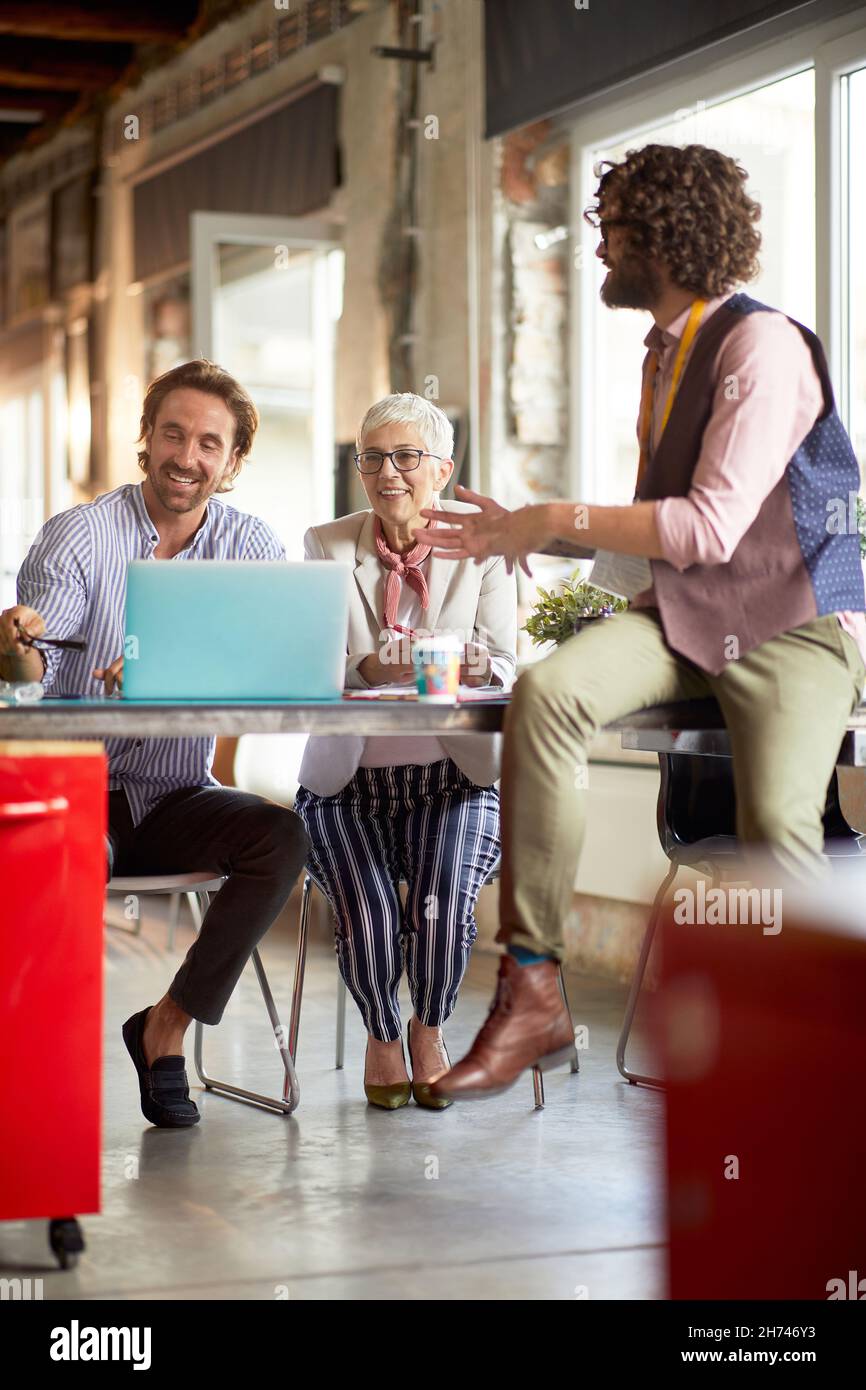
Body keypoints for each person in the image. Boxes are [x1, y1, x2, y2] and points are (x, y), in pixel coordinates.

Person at [414, 143, 866, 1101]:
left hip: (792, 623)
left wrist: (553, 518)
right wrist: (524, 531)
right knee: (548, 694)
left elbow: (707, 525)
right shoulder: (666, 353)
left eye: (612, 223)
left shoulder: (763, 347)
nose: (601, 243)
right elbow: (662, 540)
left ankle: (802, 1060)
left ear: (663, 231)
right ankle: (532, 986)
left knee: (778, 821)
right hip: (683, 617)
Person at [0, 359, 310, 1128]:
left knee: (281, 835)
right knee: (74, 856)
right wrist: (21, 649)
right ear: (145, 439)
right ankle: (49, 1099)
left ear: (232, 462)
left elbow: (273, 667)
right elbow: (34, 670)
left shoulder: (251, 547)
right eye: (173, 433)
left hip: (176, 796)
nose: (187, 455)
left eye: (210, 443)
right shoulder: (79, 537)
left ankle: (164, 1027)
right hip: (79, 790)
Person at [294, 393, 516, 1108]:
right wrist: (378, 667)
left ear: (442, 469)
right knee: (367, 909)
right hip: (347, 782)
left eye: (406, 456)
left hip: (456, 777)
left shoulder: (483, 546)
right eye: (371, 458)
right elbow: (315, 667)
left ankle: (429, 1027)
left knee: (444, 898)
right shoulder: (327, 544)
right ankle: (383, 1034)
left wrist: (471, 666)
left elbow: (508, 668)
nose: (388, 472)